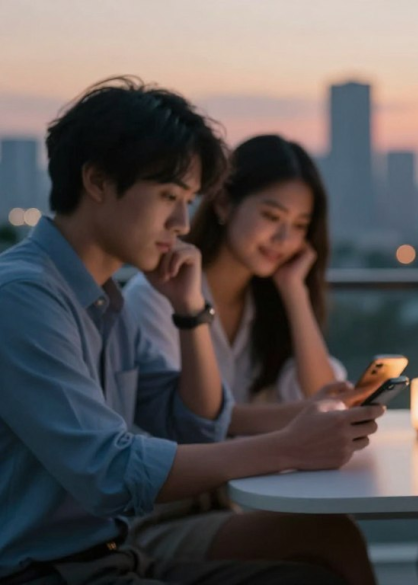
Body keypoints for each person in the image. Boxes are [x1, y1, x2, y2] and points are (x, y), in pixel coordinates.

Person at [0, 77, 383, 585]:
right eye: (167, 195)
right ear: (96, 181)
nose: (182, 221)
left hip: (113, 557)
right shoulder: (24, 296)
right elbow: (109, 472)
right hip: (46, 573)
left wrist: (190, 311)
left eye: (189, 199)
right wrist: (291, 446)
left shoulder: (104, 300)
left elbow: (194, 424)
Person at [122, 134, 375, 583]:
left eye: (299, 225)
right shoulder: (156, 297)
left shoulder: (267, 307)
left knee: (329, 542)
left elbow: (321, 393)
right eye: (271, 216)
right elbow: (188, 423)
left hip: (236, 505)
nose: (284, 238)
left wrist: (295, 292)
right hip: (160, 520)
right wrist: (301, 418)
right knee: (332, 538)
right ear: (221, 205)